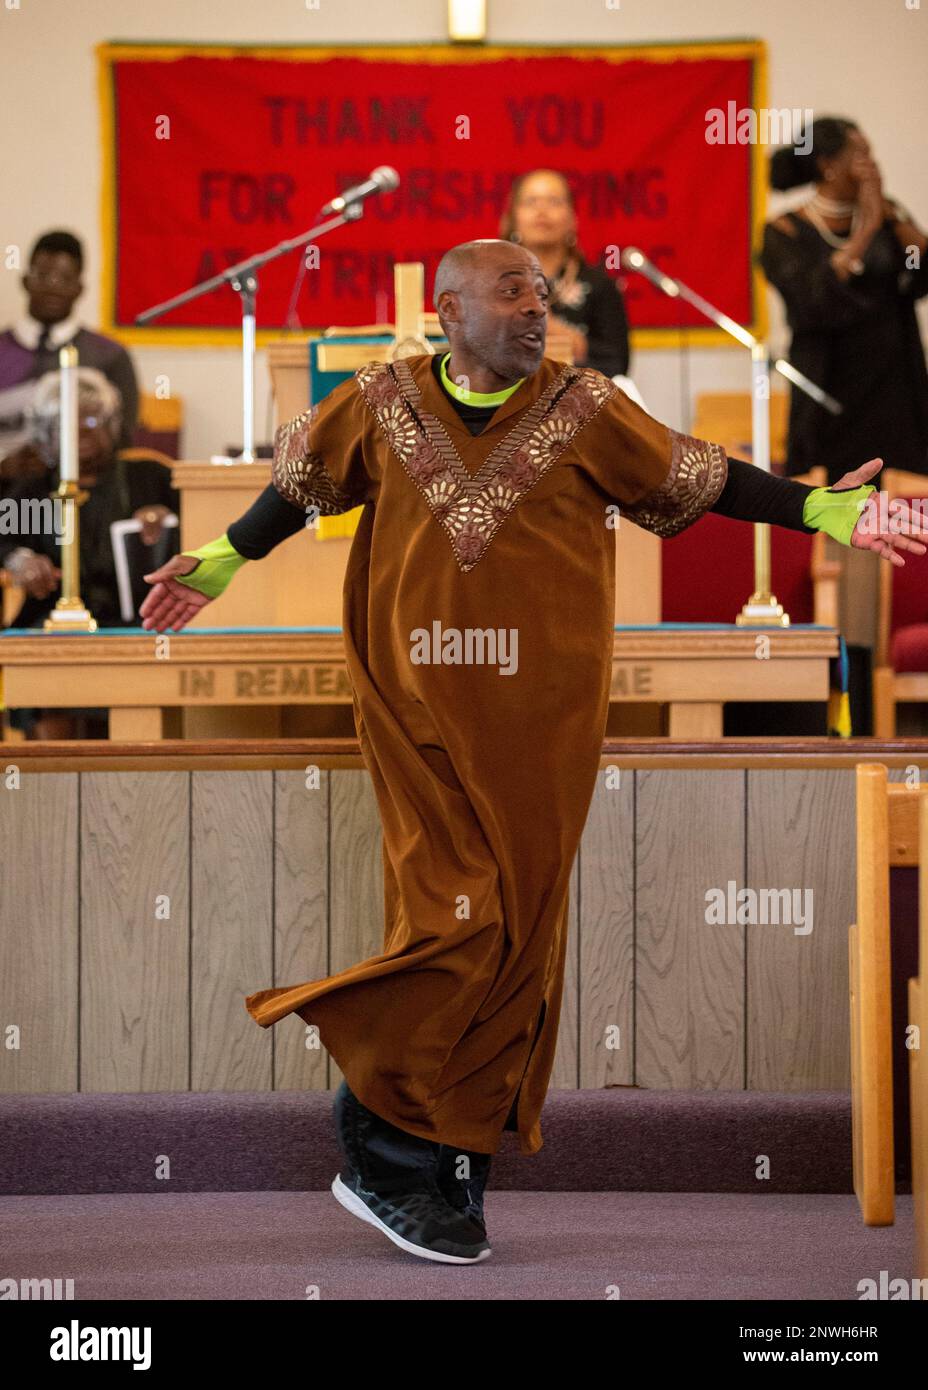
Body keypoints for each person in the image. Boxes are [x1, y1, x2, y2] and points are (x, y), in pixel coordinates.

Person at [139, 239, 927, 1265]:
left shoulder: (588, 408)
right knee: (451, 915)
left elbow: (706, 476)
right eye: (510, 292)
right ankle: (380, 1135)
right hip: (415, 709)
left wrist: (818, 506)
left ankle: (460, 1153)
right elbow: (298, 485)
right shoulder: (378, 400)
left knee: (522, 932)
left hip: (545, 723)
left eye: (542, 296)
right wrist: (222, 556)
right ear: (447, 309)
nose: (533, 310)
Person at [0, 369, 178, 739]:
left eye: (93, 419)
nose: (81, 430)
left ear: (113, 426)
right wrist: (18, 559)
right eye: (66, 421)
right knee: (43, 665)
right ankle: (52, 776)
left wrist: (168, 524)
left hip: (135, 621)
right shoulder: (31, 491)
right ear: (45, 434)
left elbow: (203, 527)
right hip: (50, 622)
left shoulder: (149, 477)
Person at [761, 118, 928, 484]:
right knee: (844, 504)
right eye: (861, 155)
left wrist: (891, 216)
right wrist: (864, 233)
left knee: (893, 502)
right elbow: (811, 301)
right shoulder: (784, 231)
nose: (872, 165)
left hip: (892, 388)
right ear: (828, 166)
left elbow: (921, 267)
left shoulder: (888, 217)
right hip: (831, 394)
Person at [0, 230, 140, 493]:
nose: (53, 286)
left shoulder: (109, 356)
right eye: (43, 276)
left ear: (80, 288)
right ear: (25, 281)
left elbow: (122, 439)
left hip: (83, 497)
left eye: (65, 278)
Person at [500, 168, 631, 381]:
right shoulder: (494, 284)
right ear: (513, 218)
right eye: (531, 201)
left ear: (572, 218)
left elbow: (618, 366)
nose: (541, 211)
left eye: (554, 201)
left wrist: (566, 338)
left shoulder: (600, 285)